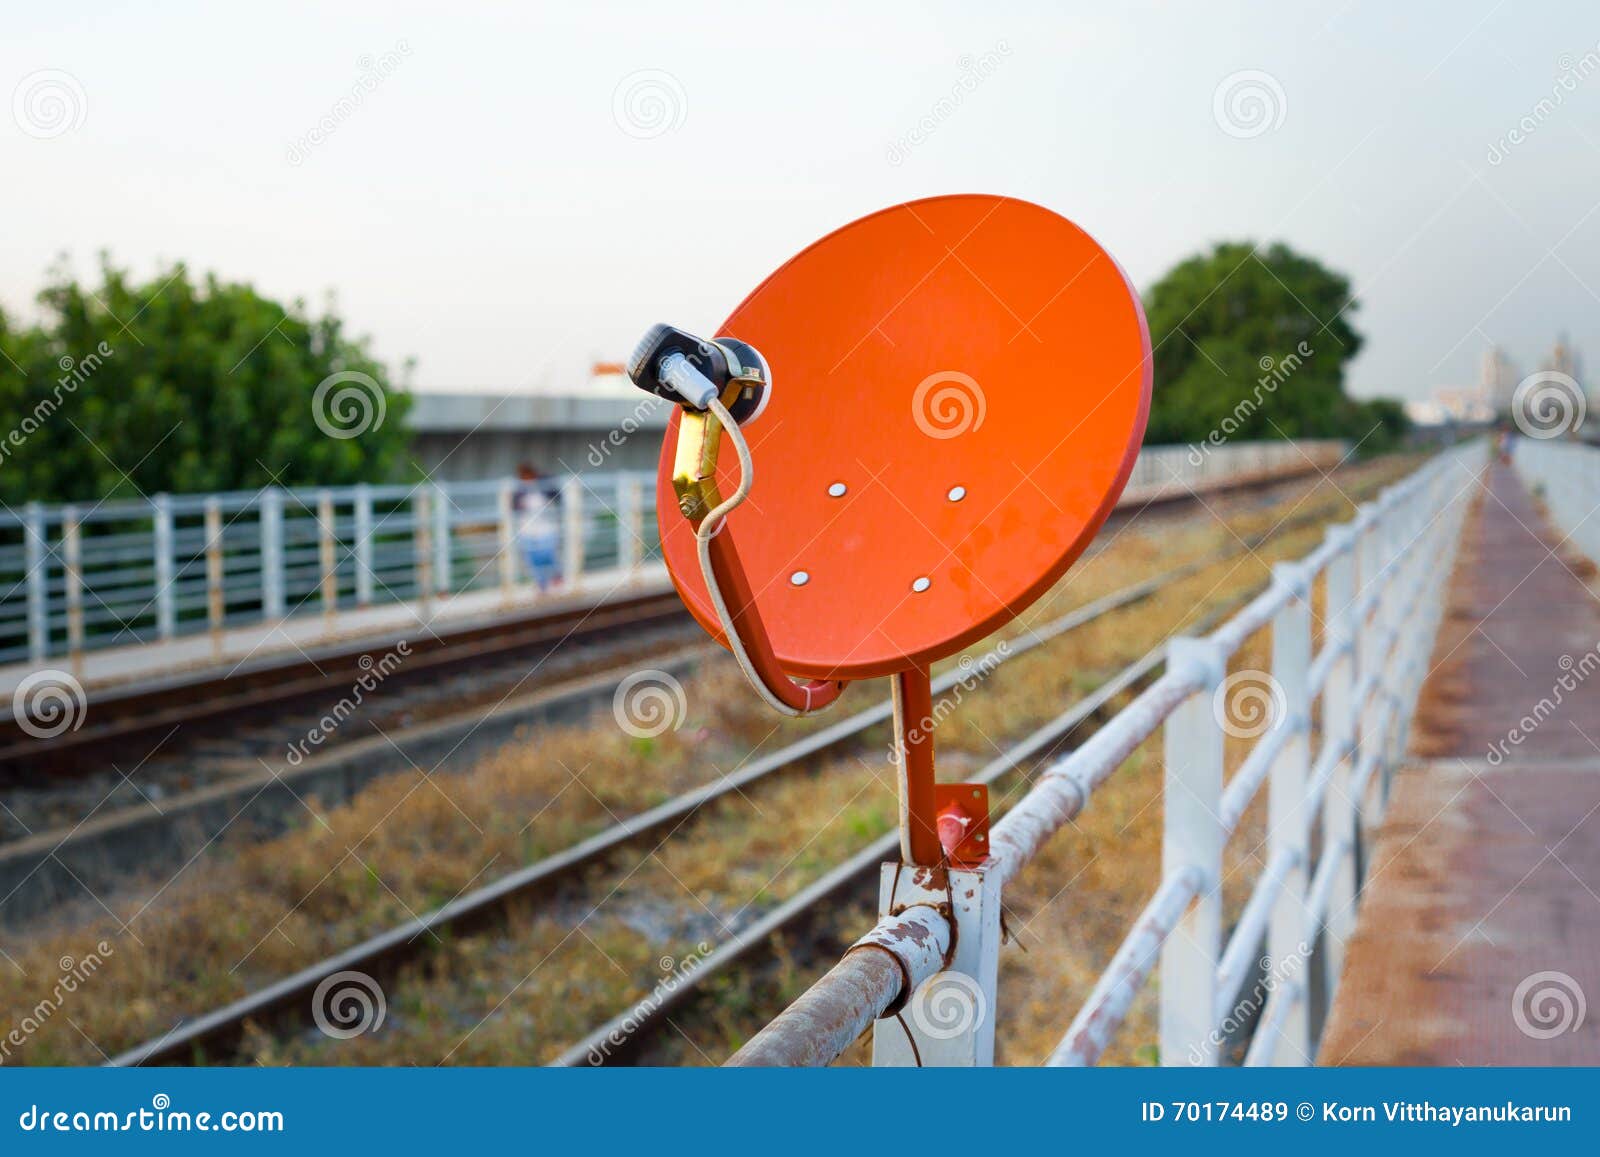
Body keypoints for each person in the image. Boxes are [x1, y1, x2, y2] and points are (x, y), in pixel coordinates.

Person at [514, 464, 562, 592]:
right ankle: (541, 584)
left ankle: (556, 577)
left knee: (548, 554)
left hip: (546, 529)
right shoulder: (519, 491)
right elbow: (514, 508)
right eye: (524, 477)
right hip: (528, 531)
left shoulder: (544, 487)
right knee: (533, 559)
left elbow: (558, 496)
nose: (527, 480)